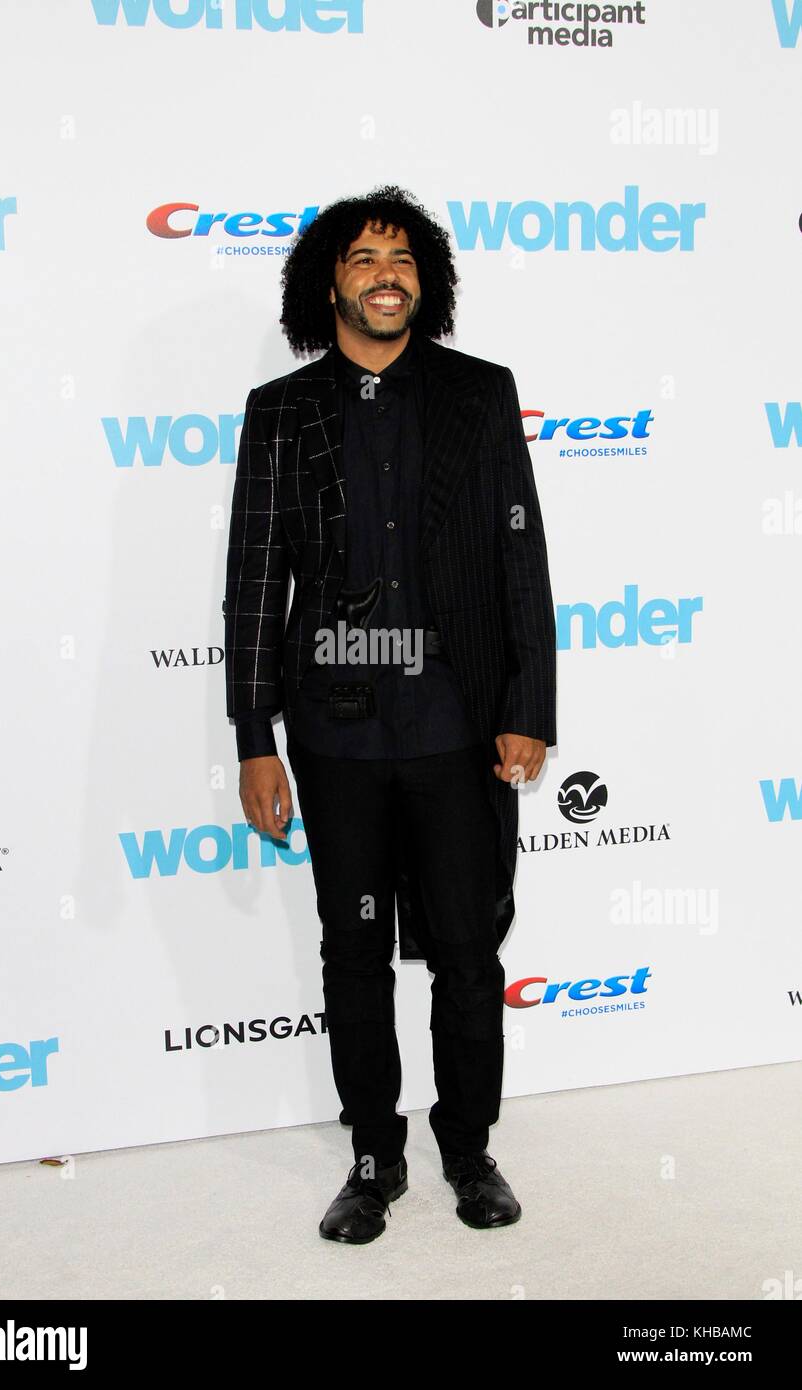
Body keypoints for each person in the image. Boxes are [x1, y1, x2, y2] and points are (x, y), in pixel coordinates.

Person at [223, 184, 556, 1244]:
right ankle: (373, 1153)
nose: (383, 275)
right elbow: (251, 580)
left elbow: (518, 560)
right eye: (364, 258)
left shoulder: (479, 394)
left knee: (467, 949)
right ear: (329, 280)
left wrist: (525, 709)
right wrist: (252, 738)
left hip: (458, 728)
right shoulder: (281, 412)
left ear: (427, 282)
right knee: (351, 951)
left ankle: (468, 1146)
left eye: (401, 261)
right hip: (334, 732)